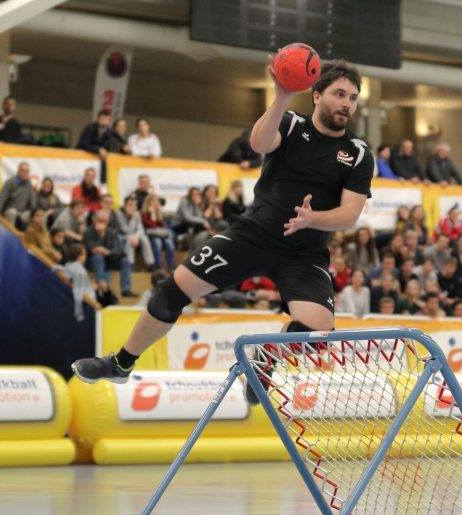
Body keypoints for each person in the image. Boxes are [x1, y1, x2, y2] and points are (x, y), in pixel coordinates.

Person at [71, 59, 375, 399]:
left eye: (353, 96)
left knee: (318, 333)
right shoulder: (289, 124)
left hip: (303, 253)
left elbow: (350, 214)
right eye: (339, 94)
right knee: (172, 291)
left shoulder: (359, 154)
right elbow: (259, 144)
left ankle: (264, 360)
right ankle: (121, 364)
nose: (347, 103)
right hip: (252, 235)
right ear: (317, 96)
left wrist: (311, 219)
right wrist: (282, 96)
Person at [84, 211, 136, 298]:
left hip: (109, 259)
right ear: (94, 220)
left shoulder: (112, 232)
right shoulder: (88, 232)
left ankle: (126, 289)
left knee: (125, 261)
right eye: (99, 220)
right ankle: (104, 288)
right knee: (98, 257)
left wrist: (108, 252)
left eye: (104, 221)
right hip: (93, 261)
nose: (102, 223)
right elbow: (89, 247)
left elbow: (119, 250)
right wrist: (100, 235)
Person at [116, 196, 155, 270]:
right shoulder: (119, 214)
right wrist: (132, 218)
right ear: (124, 206)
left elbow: (141, 229)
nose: (133, 207)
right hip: (121, 237)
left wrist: (136, 236)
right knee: (130, 240)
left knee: (144, 238)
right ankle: (131, 263)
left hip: (133, 237)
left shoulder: (137, 214)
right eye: (130, 205)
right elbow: (125, 230)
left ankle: (150, 263)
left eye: (134, 205)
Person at [141, 193, 176, 273]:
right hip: (151, 236)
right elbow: (152, 226)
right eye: (154, 201)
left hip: (162, 236)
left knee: (169, 242)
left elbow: (163, 227)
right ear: (148, 203)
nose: (156, 203)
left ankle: (171, 266)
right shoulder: (144, 214)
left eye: (157, 201)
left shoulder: (160, 213)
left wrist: (159, 214)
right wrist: (153, 214)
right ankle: (157, 267)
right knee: (157, 242)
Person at [0, 162, 36, 229]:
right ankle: (10, 235)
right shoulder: (10, 182)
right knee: (12, 212)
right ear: (18, 171)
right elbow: (1, 198)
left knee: (35, 216)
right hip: (10, 210)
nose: (25, 173)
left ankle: (28, 238)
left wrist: (34, 213)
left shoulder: (29, 184)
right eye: (23, 170)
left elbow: (32, 202)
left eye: (27, 171)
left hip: (23, 213)